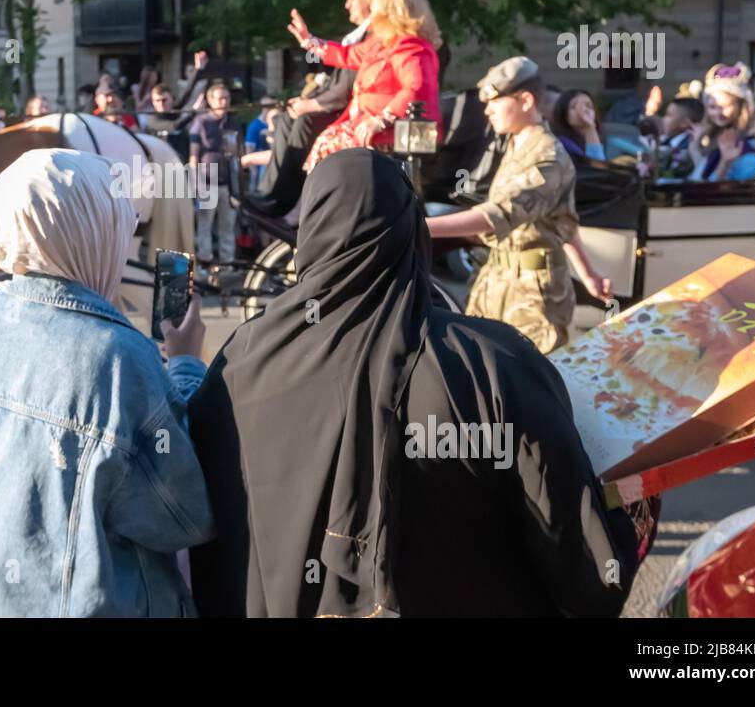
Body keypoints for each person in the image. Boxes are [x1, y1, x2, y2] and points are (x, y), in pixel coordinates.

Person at [187, 149, 641, 617]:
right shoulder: (492, 362)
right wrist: (626, 505)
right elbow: (583, 565)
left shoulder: (239, 364)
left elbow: (203, 536)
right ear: (413, 233)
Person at [0, 148, 213, 616]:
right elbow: (183, 516)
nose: (122, 245)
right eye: (115, 227)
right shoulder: (117, 355)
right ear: (91, 233)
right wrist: (184, 365)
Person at [427, 57, 610, 354]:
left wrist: (419, 226)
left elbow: (499, 214)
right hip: (497, 281)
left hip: (533, 296)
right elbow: (563, 221)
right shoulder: (517, 144)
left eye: (495, 102)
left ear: (525, 100)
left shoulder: (548, 157)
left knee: (529, 384)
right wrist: (589, 275)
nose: (487, 110)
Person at [248, 0, 377, 215]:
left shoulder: (373, 36)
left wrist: (311, 105)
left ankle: (288, 201)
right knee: (287, 119)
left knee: (306, 121)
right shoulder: (359, 37)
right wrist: (309, 43)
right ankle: (270, 193)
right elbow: (338, 66)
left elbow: (342, 91)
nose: (346, 4)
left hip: (356, 112)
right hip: (340, 104)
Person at [289, 0, 443, 172]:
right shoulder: (381, 43)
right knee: (326, 142)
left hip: (395, 131)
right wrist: (310, 41)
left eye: (375, 9)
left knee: (329, 148)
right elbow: (348, 55)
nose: (372, 16)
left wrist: (381, 120)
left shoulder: (411, 47)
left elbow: (416, 88)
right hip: (370, 125)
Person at [190, 83, 241, 266]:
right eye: (219, 98)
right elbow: (193, 154)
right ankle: (204, 263)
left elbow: (238, 153)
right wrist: (196, 184)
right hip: (207, 182)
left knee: (227, 226)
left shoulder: (233, 122)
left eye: (226, 98)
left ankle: (227, 264)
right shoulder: (201, 122)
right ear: (210, 101)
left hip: (228, 183)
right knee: (205, 225)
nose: (224, 102)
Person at [692, 61, 754, 177]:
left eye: (725, 106)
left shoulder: (750, 136)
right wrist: (695, 147)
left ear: (740, 106)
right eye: (712, 107)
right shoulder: (708, 135)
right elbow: (702, 173)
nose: (718, 112)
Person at [653, 96, 705, 181]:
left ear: (684, 123)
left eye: (668, 115)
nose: (663, 119)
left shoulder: (690, 148)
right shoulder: (664, 142)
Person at [553, 88, 606, 162]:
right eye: (574, 107)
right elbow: (596, 169)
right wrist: (590, 128)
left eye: (589, 106)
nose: (584, 110)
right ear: (564, 115)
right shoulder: (562, 144)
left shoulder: (603, 138)